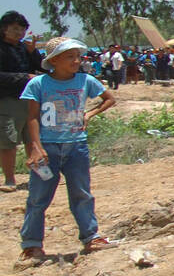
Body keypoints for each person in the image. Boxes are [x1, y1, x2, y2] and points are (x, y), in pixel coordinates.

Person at [18, 37, 116, 259]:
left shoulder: (85, 80)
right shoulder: (38, 84)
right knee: (38, 197)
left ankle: (91, 237)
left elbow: (109, 99)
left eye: (78, 56)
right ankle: (31, 244)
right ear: (54, 60)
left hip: (76, 146)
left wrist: (89, 114)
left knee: (81, 193)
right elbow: (32, 118)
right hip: (48, 148)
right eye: (70, 56)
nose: (76, 60)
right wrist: (35, 146)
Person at [0, 11, 42, 192]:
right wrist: (24, 77)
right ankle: (9, 179)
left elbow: (41, 67)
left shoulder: (25, 48)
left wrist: (34, 53)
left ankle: (40, 176)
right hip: (8, 100)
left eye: (22, 29)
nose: (19, 33)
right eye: (15, 29)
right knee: (8, 141)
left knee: (32, 139)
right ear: (4, 29)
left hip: (30, 99)